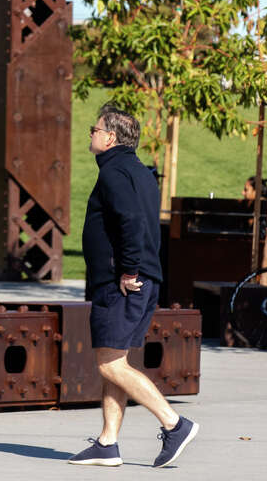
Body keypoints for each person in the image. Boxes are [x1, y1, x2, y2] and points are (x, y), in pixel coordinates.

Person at [69, 103, 199, 469]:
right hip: (144, 279)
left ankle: (175, 425)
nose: (90, 135)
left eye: (93, 130)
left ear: (110, 137)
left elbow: (128, 223)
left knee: (110, 364)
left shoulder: (113, 174)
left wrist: (127, 271)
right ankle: (107, 443)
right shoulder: (140, 172)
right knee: (117, 360)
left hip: (121, 283)